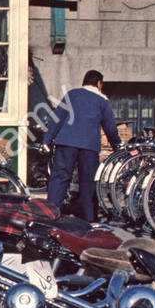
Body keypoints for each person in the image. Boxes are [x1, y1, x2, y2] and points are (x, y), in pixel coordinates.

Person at [44, 69, 121, 222]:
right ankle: (89, 218)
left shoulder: (72, 94)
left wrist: (47, 139)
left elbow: (57, 118)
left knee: (60, 177)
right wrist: (117, 146)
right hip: (89, 146)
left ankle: (49, 214)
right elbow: (110, 127)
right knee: (88, 182)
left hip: (66, 142)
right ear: (99, 84)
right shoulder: (103, 101)